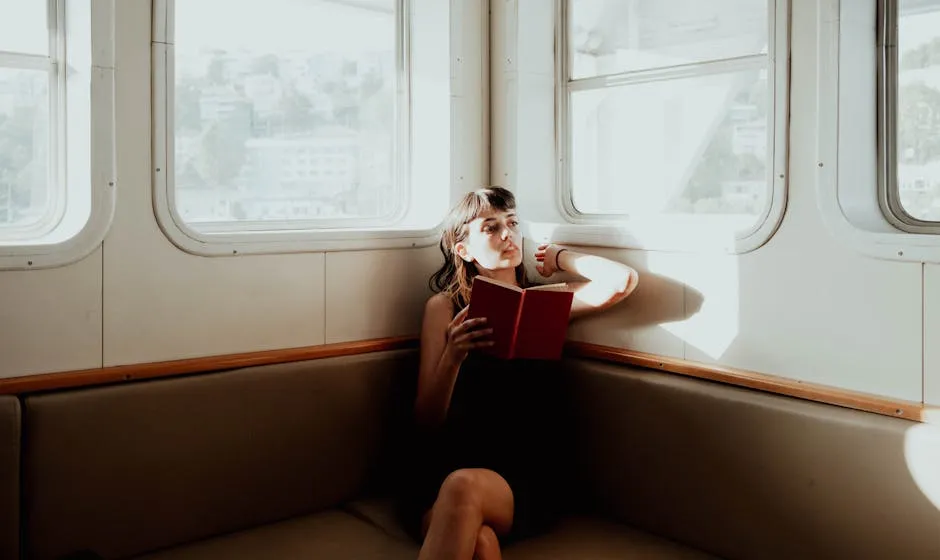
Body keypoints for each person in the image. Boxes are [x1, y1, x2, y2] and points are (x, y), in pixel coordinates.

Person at [398, 186, 638, 560]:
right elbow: (426, 420)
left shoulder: (547, 300)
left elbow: (623, 282)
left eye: (512, 223)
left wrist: (559, 256)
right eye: (490, 228)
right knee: (481, 543)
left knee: (463, 488)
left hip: (524, 475)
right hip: (448, 467)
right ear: (464, 250)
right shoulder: (444, 309)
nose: (507, 234)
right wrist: (453, 357)